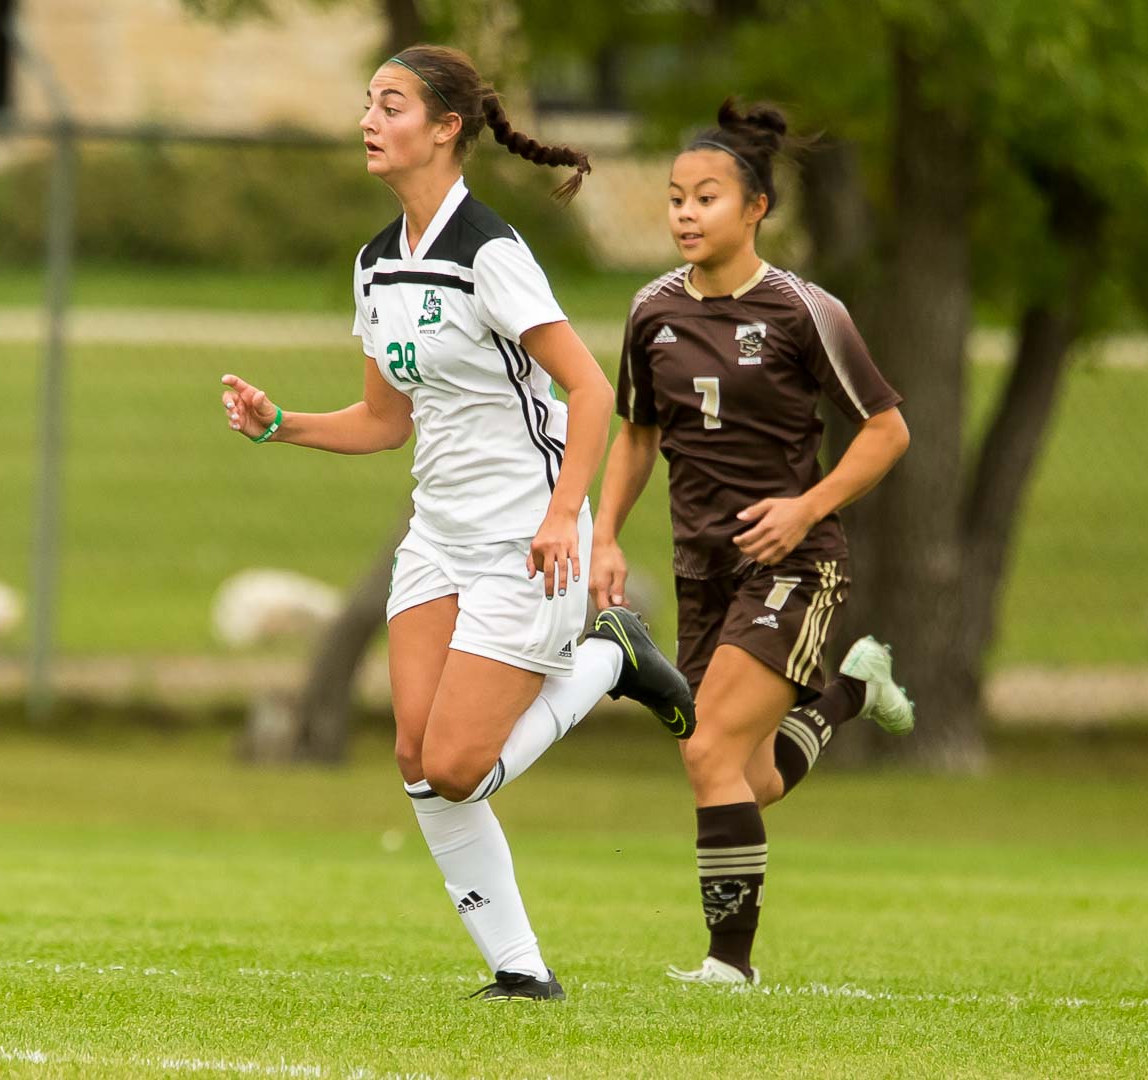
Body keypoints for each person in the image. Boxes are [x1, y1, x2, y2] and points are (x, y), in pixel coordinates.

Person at [219, 44, 694, 1002]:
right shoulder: (375, 262)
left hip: (529, 533)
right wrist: (283, 425)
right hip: (437, 535)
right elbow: (387, 422)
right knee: (414, 757)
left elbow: (592, 389)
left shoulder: (491, 252)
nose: (368, 118)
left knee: (458, 765)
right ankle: (521, 974)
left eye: (389, 103)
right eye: (366, 102)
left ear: (445, 129)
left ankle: (610, 658)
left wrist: (570, 517)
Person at [587, 99, 917, 987]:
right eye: (674, 198)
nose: (686, 214)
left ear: (756, 207)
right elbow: (637, 437)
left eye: (706, 198)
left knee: (707, 755)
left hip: (796, 568)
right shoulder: (651, 310)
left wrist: (806, 508)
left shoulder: (808, 311)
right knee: (751, 776)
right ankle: (851, 692)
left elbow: (887, 432)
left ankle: (728, 970)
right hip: (702, 571)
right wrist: (605, 535)